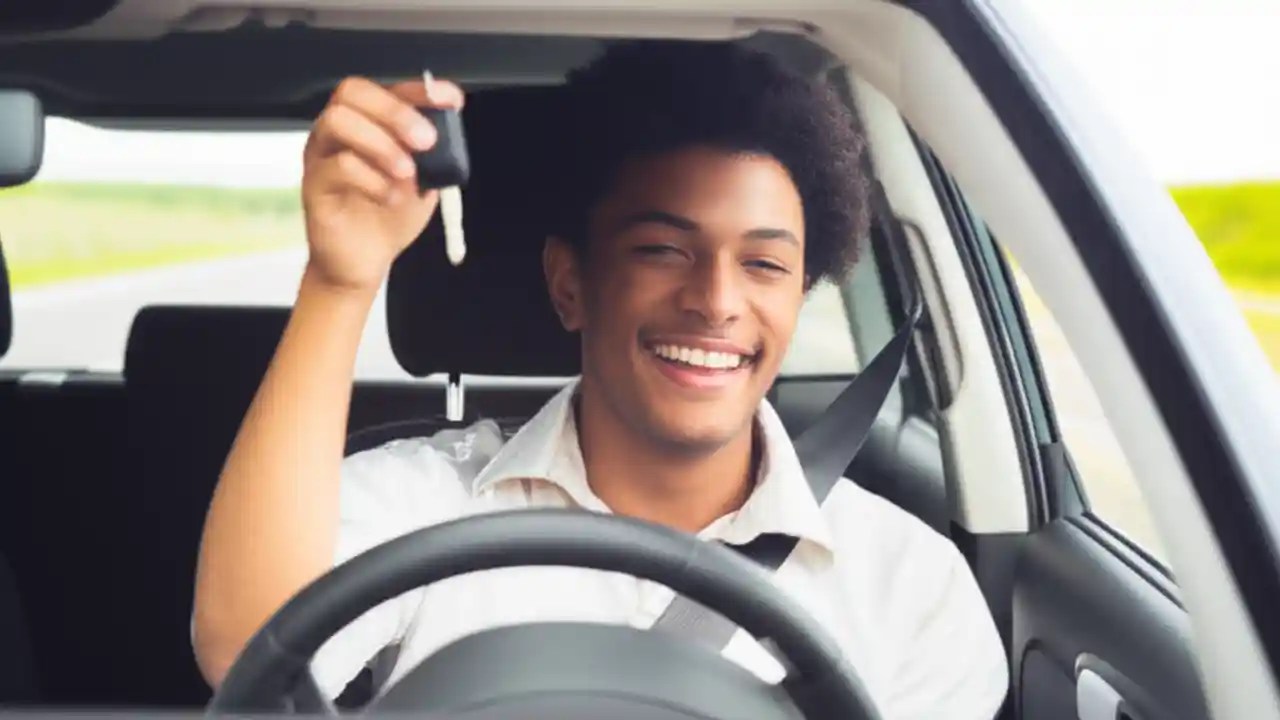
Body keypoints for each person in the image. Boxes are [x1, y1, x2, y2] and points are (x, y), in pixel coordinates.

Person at [191, 41, 1009, 718]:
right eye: (662, 250)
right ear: (570, 284)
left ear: (799, 296)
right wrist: (341, 282)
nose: (716, 301)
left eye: (764, 264)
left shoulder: (909, 583)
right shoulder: (431, 503)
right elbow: (248, 650)